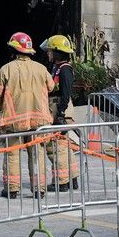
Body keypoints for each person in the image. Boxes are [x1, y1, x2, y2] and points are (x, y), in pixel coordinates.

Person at [0, 31, 54, 198]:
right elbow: (52, 86)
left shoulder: (6, 70)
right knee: (37, 154)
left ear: (13, 51)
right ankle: (39, 189)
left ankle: (12, 189)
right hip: (39, 120)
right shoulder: (41, 69)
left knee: (12, 153)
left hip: (13, 120)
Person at [41, 34, 80, 191]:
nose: (48, 54)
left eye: (50, 51)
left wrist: (61, 114)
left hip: (60, 108)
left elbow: (65, 93)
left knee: (57, 146)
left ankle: (62, 182)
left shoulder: (65, 70)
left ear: (57, 52)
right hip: (57, 108)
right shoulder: (57, 68)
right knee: (64, 146)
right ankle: (72, 179)